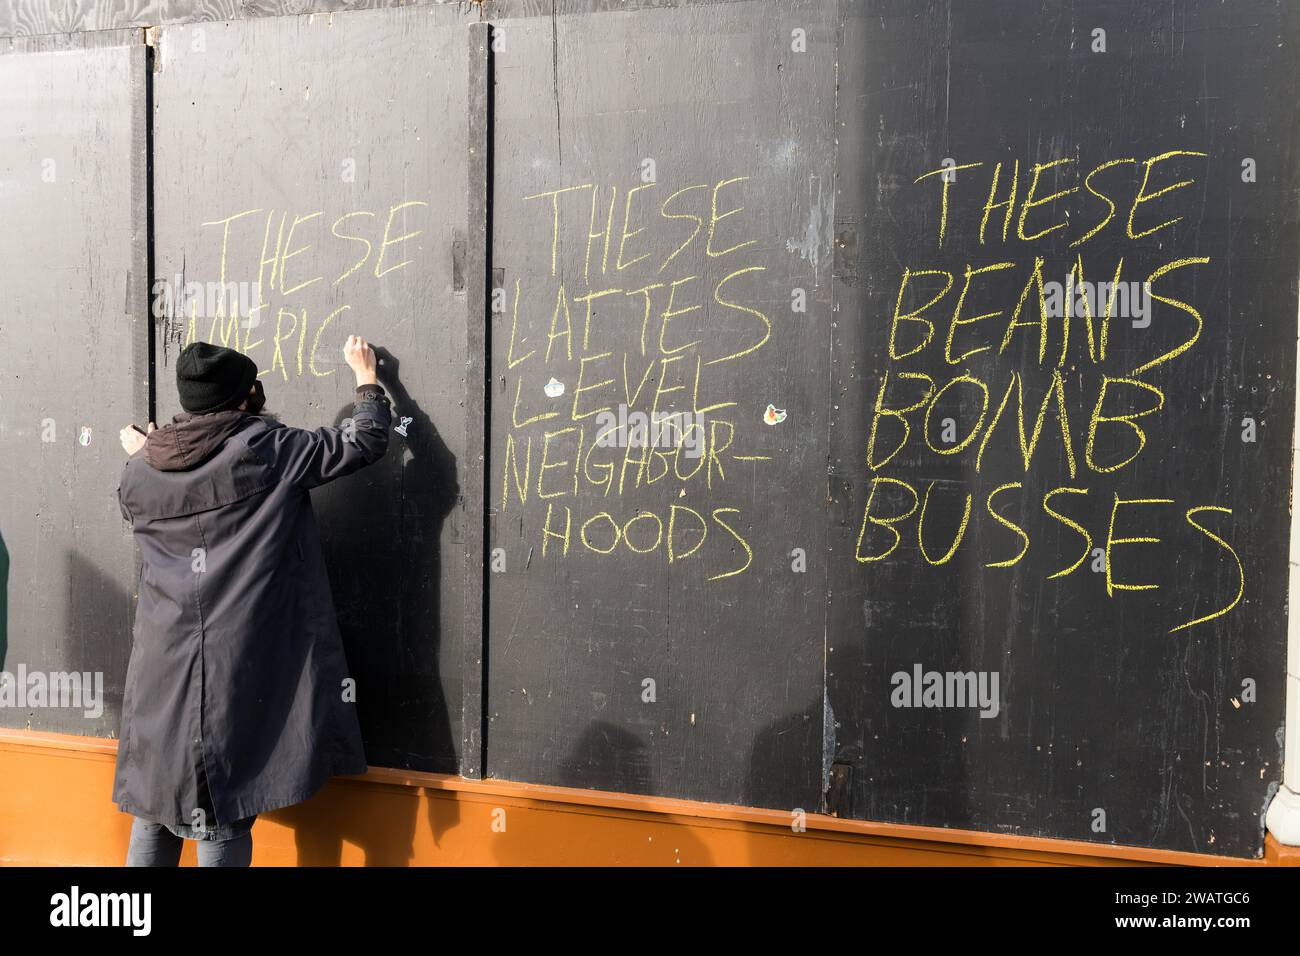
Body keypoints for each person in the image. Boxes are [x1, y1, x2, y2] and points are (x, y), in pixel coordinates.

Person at [113, 335, 391, 866]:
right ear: (245, 399)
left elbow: (161, 489)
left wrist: (148, 451)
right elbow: (363, 442)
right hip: (230, 671)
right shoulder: (265, 449)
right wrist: (366, 382)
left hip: (159, 670)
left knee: (155, 807)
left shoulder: (139, 470)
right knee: (220, 813)